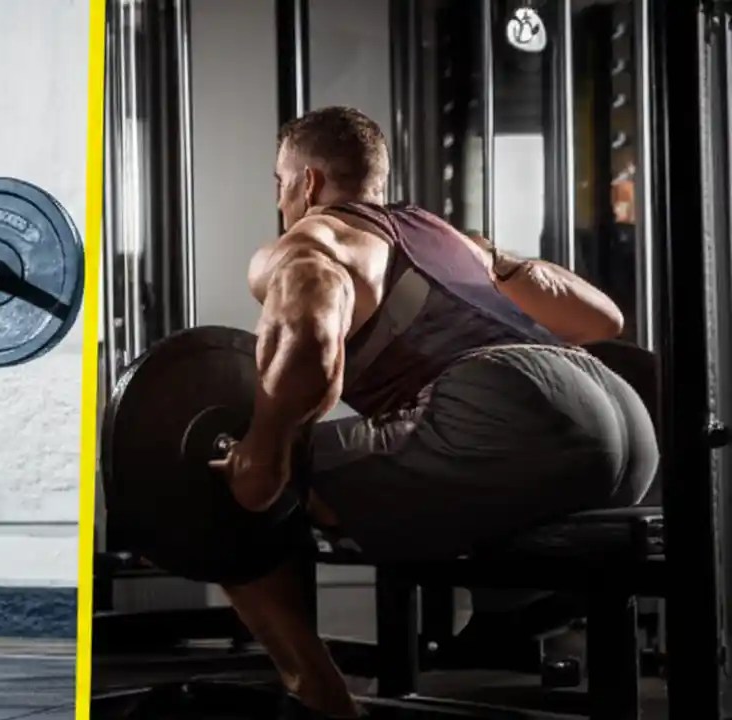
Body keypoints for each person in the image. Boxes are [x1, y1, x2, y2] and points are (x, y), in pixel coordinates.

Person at [208, 106, 658, 719]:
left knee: (222, 493)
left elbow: (311, 326)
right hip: (625, 425)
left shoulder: (315, 237)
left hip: (512, 412)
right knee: (354, 461)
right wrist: (492, 260)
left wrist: (263, 450)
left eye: (280, 182)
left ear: (307, 182)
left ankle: (324, 700)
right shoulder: (444, 236)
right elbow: (603, 323)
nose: (282, 199)